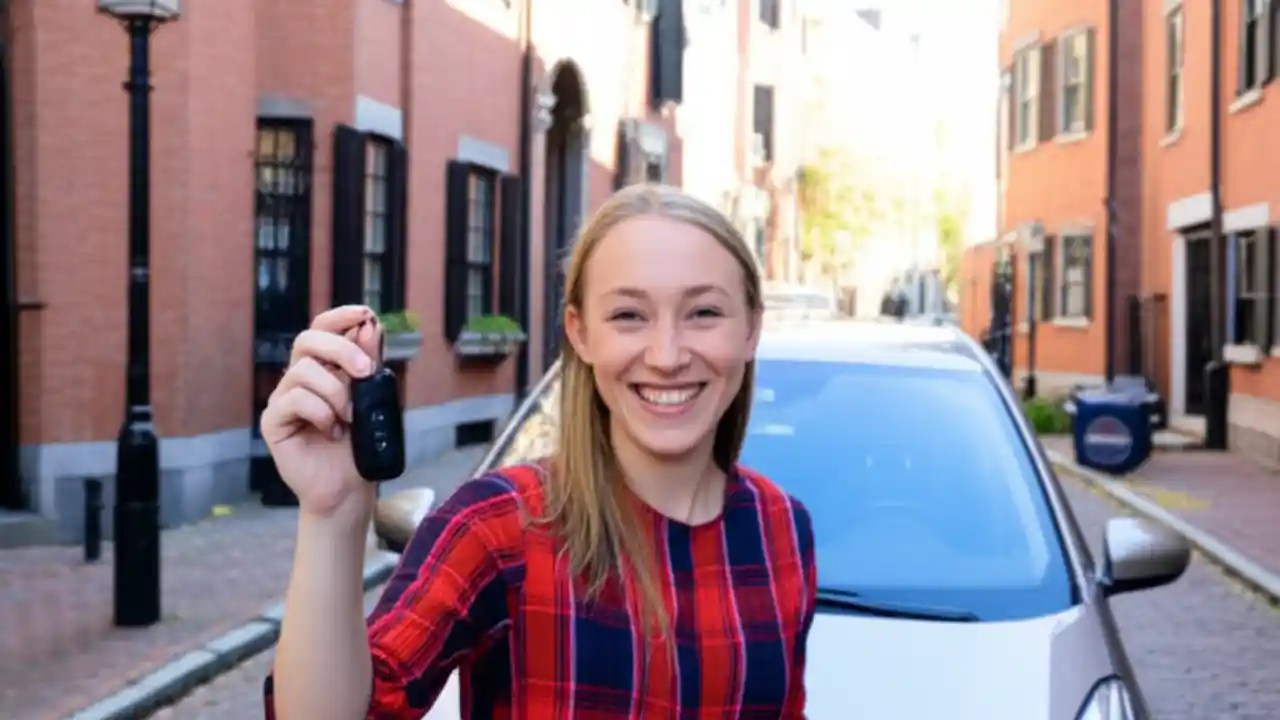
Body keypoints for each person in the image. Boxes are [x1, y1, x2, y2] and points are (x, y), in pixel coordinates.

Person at [260, 184, 817, 719]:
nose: (667, 355)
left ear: (751, 329)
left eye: (704, 313)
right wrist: (331, 517)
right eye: (628, 315)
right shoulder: (500, 525)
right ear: (579, 332)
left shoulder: (782, 530)